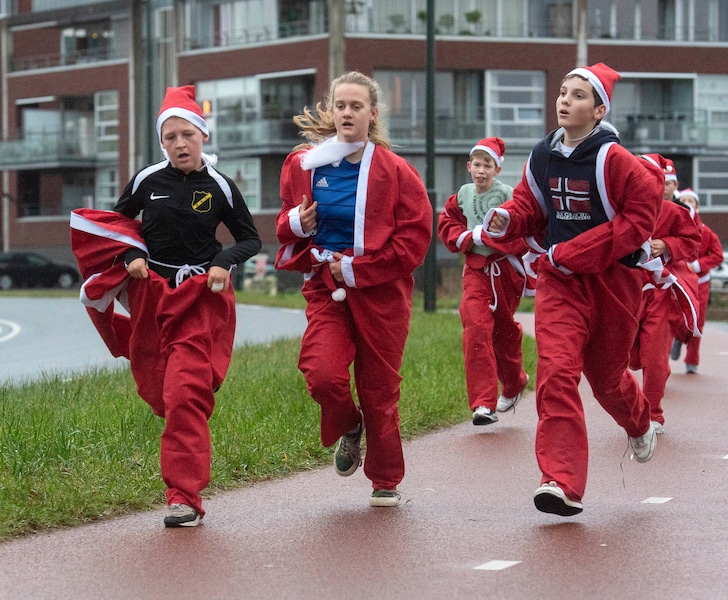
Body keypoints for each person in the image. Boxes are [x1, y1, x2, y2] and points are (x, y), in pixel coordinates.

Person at [70, 85, 262, 527]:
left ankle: (183, 496)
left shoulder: (221, 187)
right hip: (151, 299)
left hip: (198, 298)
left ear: (203, 136)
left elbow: (249, 238)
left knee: (184, 394)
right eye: (170, 136)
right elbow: (117, 227)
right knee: (160, 391)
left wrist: (222, 262)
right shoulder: (145, 180)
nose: (179, 143)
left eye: (187, 134)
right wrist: (132, 256)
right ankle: (182, 451)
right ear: (162, 142)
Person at [483, 63, 662, 517]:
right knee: (557, 372)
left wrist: (573, 251)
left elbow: (640, 220)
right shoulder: (542, 155)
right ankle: (559, 481)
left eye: (578, 95)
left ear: (599, 110)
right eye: (563, 92)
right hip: (559, 283)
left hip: (613, 283)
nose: (565, 100)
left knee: (605, 379)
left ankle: (639, 421)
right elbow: (529, 204)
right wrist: (509, 216)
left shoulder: (617, 161)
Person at [275, 71, 432, 507]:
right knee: (322, 374)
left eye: (356, 106)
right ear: (331, 110)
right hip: (326, 288)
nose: (347, 112)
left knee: (380, 388)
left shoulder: (397, 172)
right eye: (340, 105)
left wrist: (360, 269)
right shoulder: (304, 164)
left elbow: (415, 240)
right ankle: (349, 424)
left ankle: (385, 479)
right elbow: (284, 219)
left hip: (381, 293)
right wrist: (295, 224)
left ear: (372, 114)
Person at [437, 137, 530, 426]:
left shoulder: (508, 196)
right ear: (468, 167)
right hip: (476, 271)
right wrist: (464, 237)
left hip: (504, 273)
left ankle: (515, 382)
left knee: (504, 332)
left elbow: (523, 226)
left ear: (497, 169)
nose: (481, 171)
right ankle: (482, 404)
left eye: (487, 165)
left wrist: (495, 237)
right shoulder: (462, 195)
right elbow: (447, 222)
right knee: (476, 328)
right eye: (476, 164)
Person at [628, 157, 700, 434]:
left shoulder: (674, 212)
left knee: (654, 358)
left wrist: (667, 245)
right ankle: (644, 389)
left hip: (660, 293)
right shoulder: (619, 211)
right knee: (628, 357)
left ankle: (653, 413)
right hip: (626, 292)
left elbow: (692, 244)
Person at [669, 188, 724, 373]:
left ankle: (692, 361)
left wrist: (698, 265)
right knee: (678, 317)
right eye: (683, 200)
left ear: (697, 206)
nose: (687, 204)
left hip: (700, 283)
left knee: (698, 322)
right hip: (680, 281)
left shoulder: (706, 231)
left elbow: (717, 255)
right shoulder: (675, 226)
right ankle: (678, 337)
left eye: (691, 201)